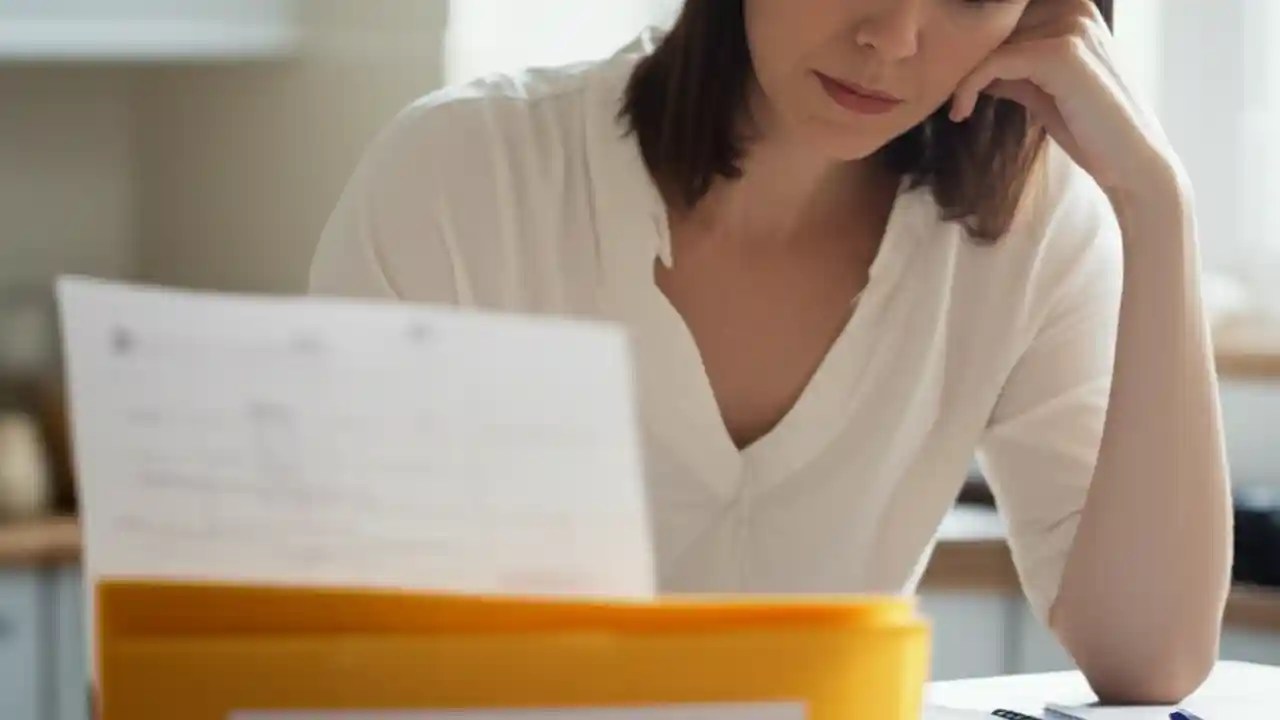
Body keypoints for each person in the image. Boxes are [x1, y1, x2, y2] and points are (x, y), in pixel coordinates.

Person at [311, 0, 1231, 702]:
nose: (894, 36)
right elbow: (326, 643)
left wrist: (1157, 204)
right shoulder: (461, 176)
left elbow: (1148, 660)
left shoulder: (1033, 233)